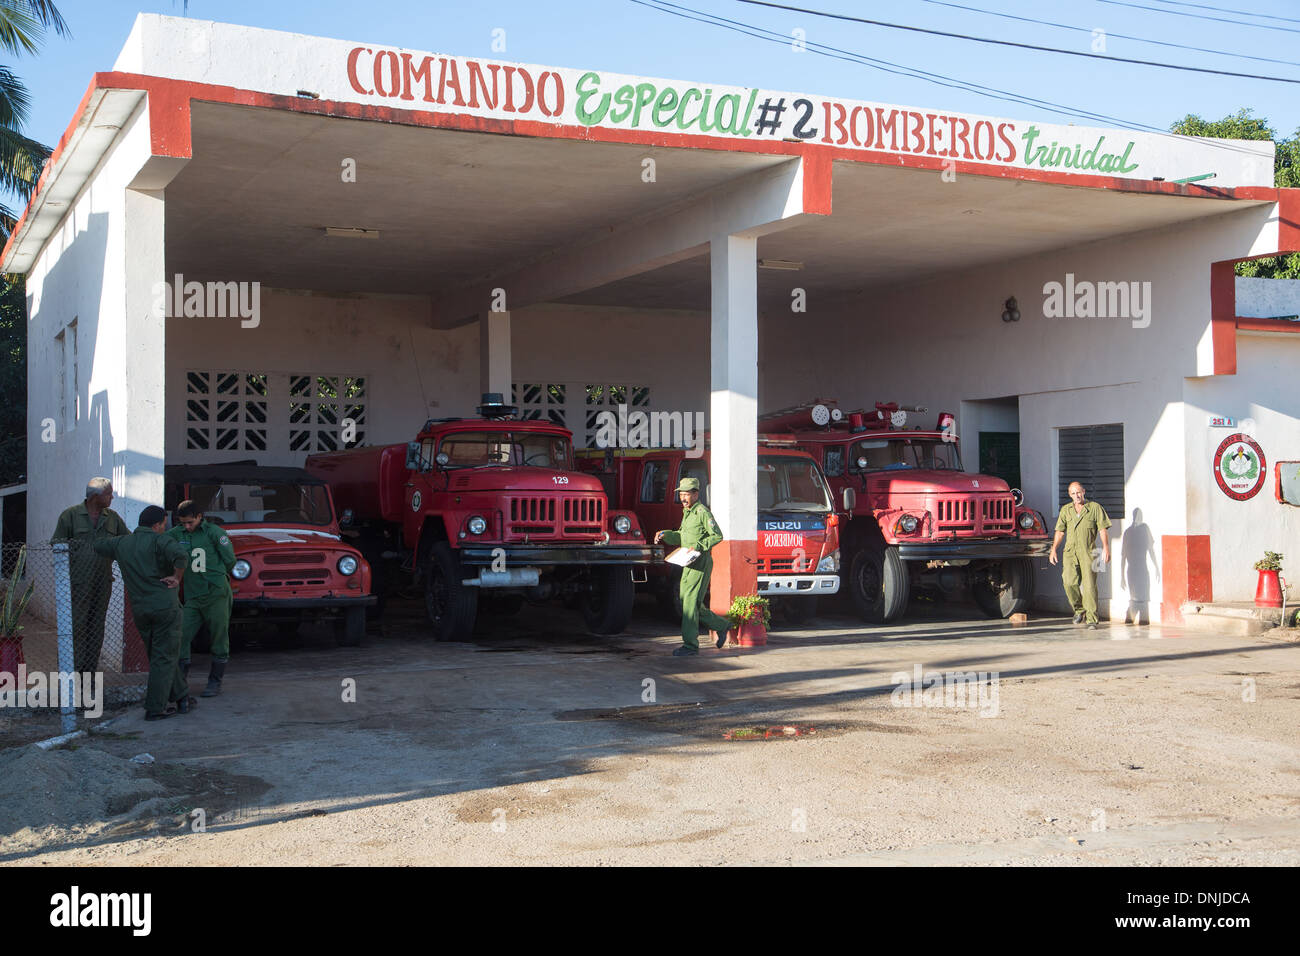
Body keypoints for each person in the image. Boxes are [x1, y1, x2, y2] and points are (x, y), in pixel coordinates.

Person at [94, 505, 193, 720]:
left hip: (140, 609)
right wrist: (177, 577)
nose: (164, 528)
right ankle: (155, 707)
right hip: (165, 607)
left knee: (159, 656)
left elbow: (99, 545)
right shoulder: (161, 540)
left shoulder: (122, 543)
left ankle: (182, 697)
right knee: (164, 657)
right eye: (163, 525)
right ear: (157, 524)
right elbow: (181, 556)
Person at [50, 477, 130, 674]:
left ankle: (89, 674)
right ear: (96, 496)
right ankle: (71, 673)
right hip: (77, 583)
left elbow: (127, 542)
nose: (112, 497)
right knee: (76, 627)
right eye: (109, 493)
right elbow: (58, 545)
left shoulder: (112, 518)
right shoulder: (70, 516)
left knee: (96, 628)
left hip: (102, 582)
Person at [654, 477, 733, 656]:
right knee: (688, 601)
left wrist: (699, 545)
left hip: (700, 562)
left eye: (686, 494)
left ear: (696, 494)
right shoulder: (687, 512)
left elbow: (717, 535)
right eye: (681, 494)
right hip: (688, 562)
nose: (683, 498)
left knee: (689, 604)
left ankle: (690, 645)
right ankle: (721, 625)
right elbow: (682, 536)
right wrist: (666, 535)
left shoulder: (702, 512)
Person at [168, 500, 237, 697]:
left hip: (216, 594)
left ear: (200, 517)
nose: (187, 527)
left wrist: (216, 576)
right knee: (181, 635)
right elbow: (161, 542)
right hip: (192, 595)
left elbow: (230, 560)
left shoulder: (214, 533)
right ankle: (180, 684)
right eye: (183, 523)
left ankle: (215, 682)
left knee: (218, 637)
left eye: (190, 522)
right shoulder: (177, 533)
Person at [1049, 481, 1112, 629]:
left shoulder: (1095, 508)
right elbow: (1059, 531)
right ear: (1069, 495)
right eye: (1073, 493)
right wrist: (1053, 549)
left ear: (1083, 491)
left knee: (1090, 586)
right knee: (1068, 582)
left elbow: (1103, 529)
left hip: (1090, 552)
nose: (1076, 496)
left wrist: (1106, 548)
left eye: (1078, 492)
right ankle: (1079, 610)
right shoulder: (1066, 510)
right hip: (1070, 553)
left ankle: (1092, 620)